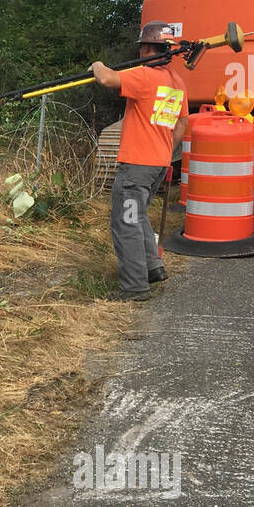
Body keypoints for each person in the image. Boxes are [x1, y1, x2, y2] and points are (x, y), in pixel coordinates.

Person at [91, 21, 188, 302]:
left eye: (142, 46)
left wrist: (97, 64)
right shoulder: (176, 82)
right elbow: (182, 122)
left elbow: (107, 79)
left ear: (147, 48)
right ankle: (153, 268)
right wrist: (167, 149)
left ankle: (134, 288)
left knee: (126, 222)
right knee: (139, 216)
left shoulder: (144, 76)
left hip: (136, 165)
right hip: (157, 163)